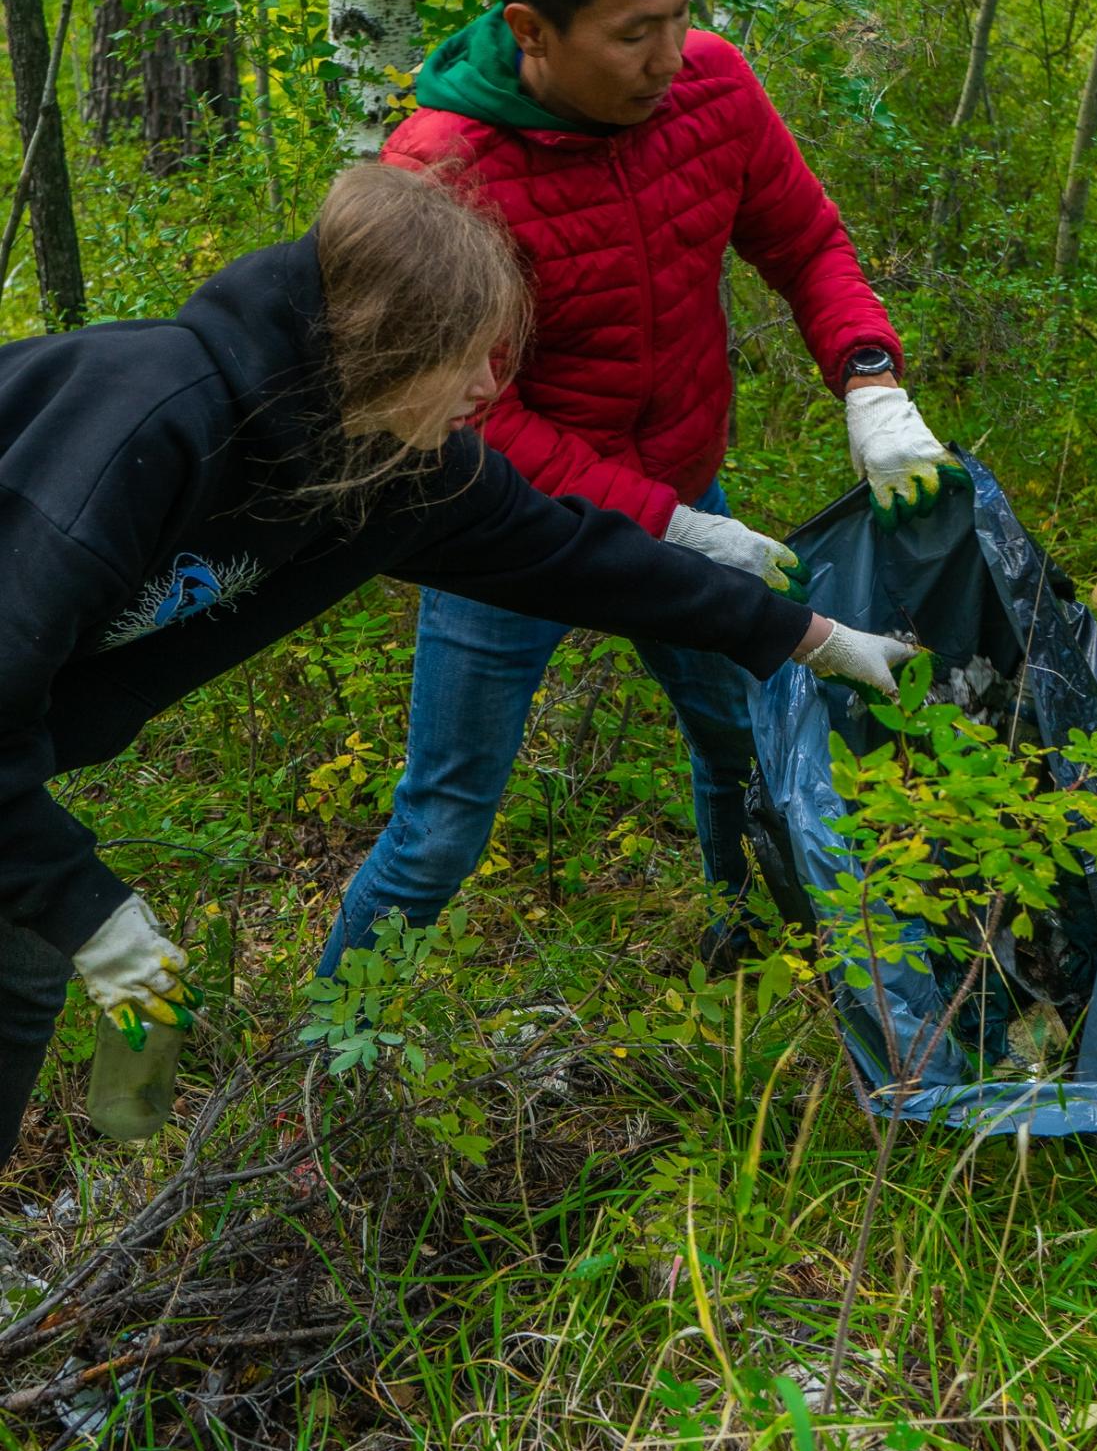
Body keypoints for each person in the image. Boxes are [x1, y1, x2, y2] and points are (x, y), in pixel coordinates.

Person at [0, 162, 912, 1169]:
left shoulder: (388, 466)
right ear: (388, 337)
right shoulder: (146, 420)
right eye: (470, 354)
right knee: (38, 938)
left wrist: (804, 635)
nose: (493, 384)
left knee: (21, 958)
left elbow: (575, 556)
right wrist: (94, 906)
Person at [319, 0, 965, 979]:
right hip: (502, 536)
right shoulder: (444, 171)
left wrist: (871, 380)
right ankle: (325, 1077)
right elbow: (470, 421)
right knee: (444, 819)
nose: (667, 58)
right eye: (631, 35)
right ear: (532, 27)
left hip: (683, 493)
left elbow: (803, 242)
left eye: (677, 16)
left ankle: (748, 950)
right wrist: (665, 528)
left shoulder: (712, 87)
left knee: (740, 741)